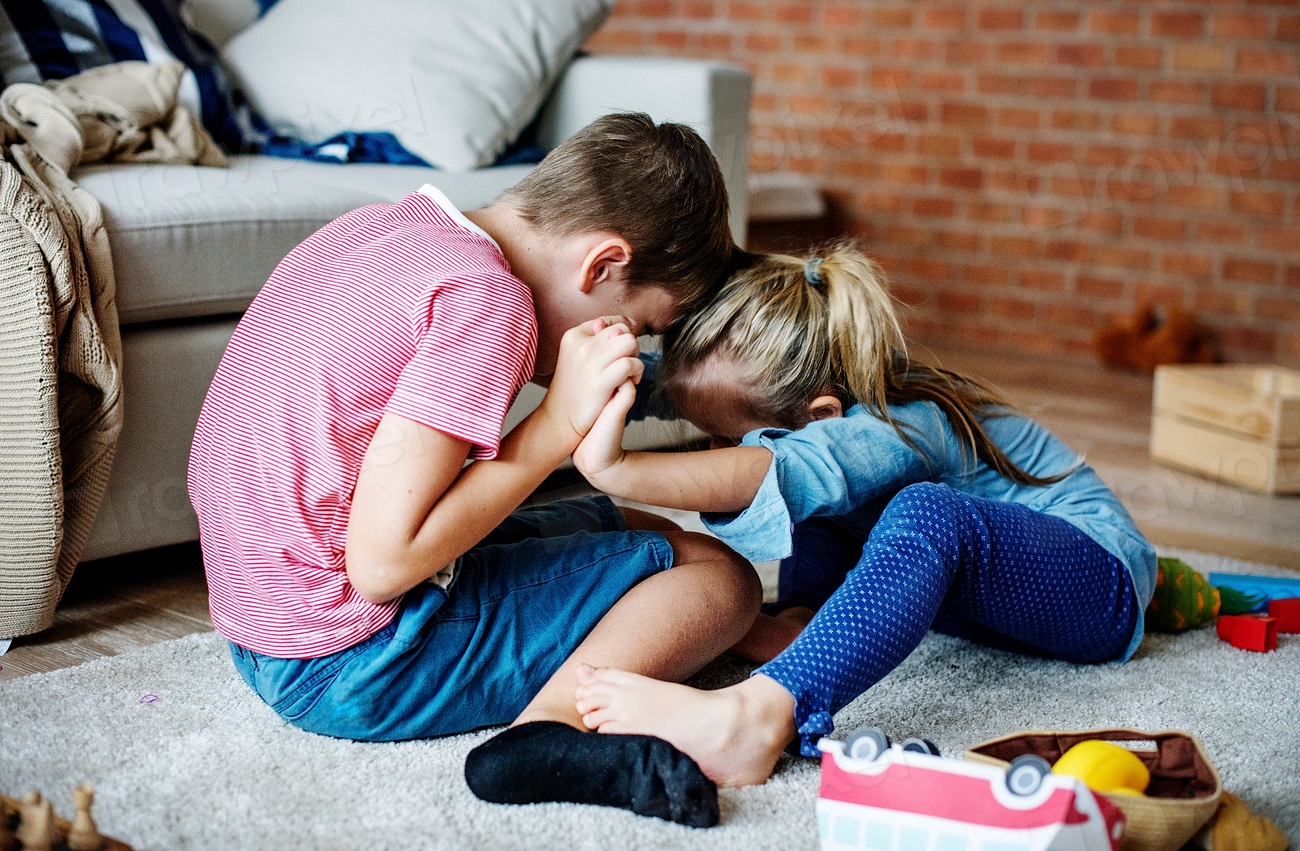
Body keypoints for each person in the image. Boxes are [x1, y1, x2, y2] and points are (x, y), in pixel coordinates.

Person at [187, 113, 759, 826]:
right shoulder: (489, 303)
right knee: (723, 580)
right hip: (350, 659)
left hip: (261, 628)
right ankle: (546, 732)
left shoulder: (386, 228)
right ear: (602, 265)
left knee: (633, 526)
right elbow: (382, 565)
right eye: (639, 325)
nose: (632, 346)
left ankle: (747, 635)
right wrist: (555, 424)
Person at [569, 243, 1157, 788]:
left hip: (1099, 589)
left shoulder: (905, 423)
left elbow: (776, 473)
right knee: (830, 507)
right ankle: (801, 625)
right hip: (984, 607)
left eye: (728, 441)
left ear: (823, 416)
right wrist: (584, 367)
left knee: (920, 512)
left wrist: (617, 468)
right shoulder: (828, 390)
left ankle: (758, 716)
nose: (717, 450)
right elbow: (679, 389)